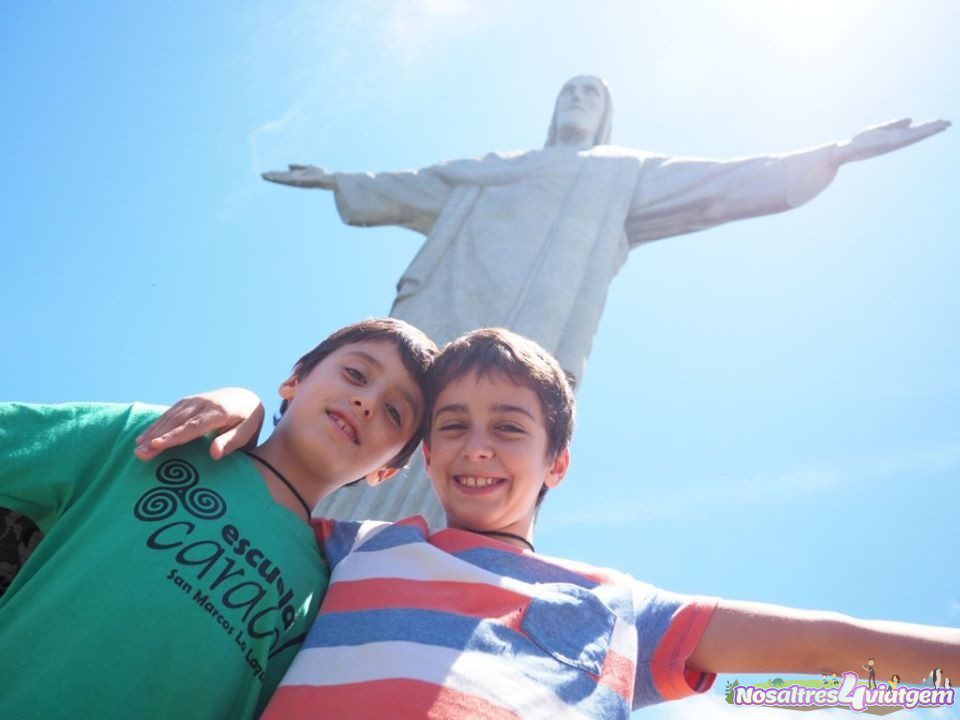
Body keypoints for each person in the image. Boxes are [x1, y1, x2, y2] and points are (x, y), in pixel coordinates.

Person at [142, 328, 959, 719]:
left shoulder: (623, 607)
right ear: (425, 454)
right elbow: (257, 494)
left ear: (556, 463)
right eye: (452, 424)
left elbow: (825, 645)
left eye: (509, 427)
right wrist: (249, 401)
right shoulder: (353, 549)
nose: (477, 447)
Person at [262, 74, 950, 525]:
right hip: (443, 307)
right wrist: (334, 180)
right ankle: (314, 529)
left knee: (489, 432)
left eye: (591, 94)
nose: (577, 100)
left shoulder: (621, 175)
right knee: (395, 416)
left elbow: (725, 184)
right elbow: (410, 185)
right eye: (568, 91)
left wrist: (837, 151)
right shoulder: (495, 169)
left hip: (536, 325)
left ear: (606, 118)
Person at [0, 317, 436, 720]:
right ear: (294, 380)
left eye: (395, 413)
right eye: (356, 374)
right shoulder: (159, 438)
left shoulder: (325, 597)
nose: (366, 402)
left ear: (387, 472)